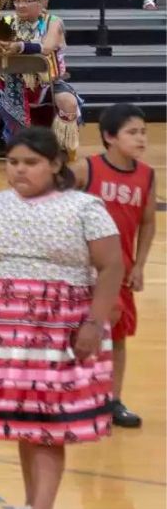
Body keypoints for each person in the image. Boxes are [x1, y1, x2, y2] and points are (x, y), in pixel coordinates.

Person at [0, 126, 123, 509]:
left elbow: (111, 267)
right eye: (13, 162)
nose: (19, 170)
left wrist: (93, 323)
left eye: (30, 162)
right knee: (26, 421)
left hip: (60, 325)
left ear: (54, 165)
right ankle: (33, 508)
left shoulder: (84, 208)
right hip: (4, 326)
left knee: (49, 421)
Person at [73, 103, 154, 429]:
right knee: (80, 335)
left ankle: (112, 399)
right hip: (84, 270)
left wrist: (140, 265)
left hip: (120, 271)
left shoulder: (147, 175)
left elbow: (148, 223)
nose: (141, 138)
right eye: (132, 132)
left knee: (117, 338)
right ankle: (77, 394)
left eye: (143, 132)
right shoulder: (86, 170)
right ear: (109, 136)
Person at [0, 0, 80, 159]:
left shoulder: (53, 22)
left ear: (40, 4)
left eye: (27, 1)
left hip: (47, 85)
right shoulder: (8, 21)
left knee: (68, 102)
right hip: (9, 85)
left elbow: (47, 47)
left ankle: (60, 148)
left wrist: (20, 46)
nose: (21, 5)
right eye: (18, 1)